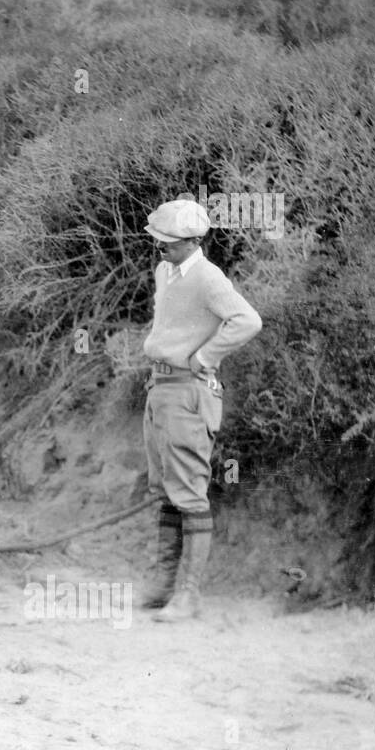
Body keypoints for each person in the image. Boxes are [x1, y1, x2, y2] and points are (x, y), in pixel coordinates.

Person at [140, 198, 262, 622]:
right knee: (165, 489)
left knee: (189, 493)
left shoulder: (208, 278)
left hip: (188, 394)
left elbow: (247, 320)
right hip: (160, 388)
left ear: (194, 241)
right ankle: (162, 585)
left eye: (169, 242)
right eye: (159, 240)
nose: (161, 247)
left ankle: (188, 594)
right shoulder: (165, 272)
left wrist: (205, 358)